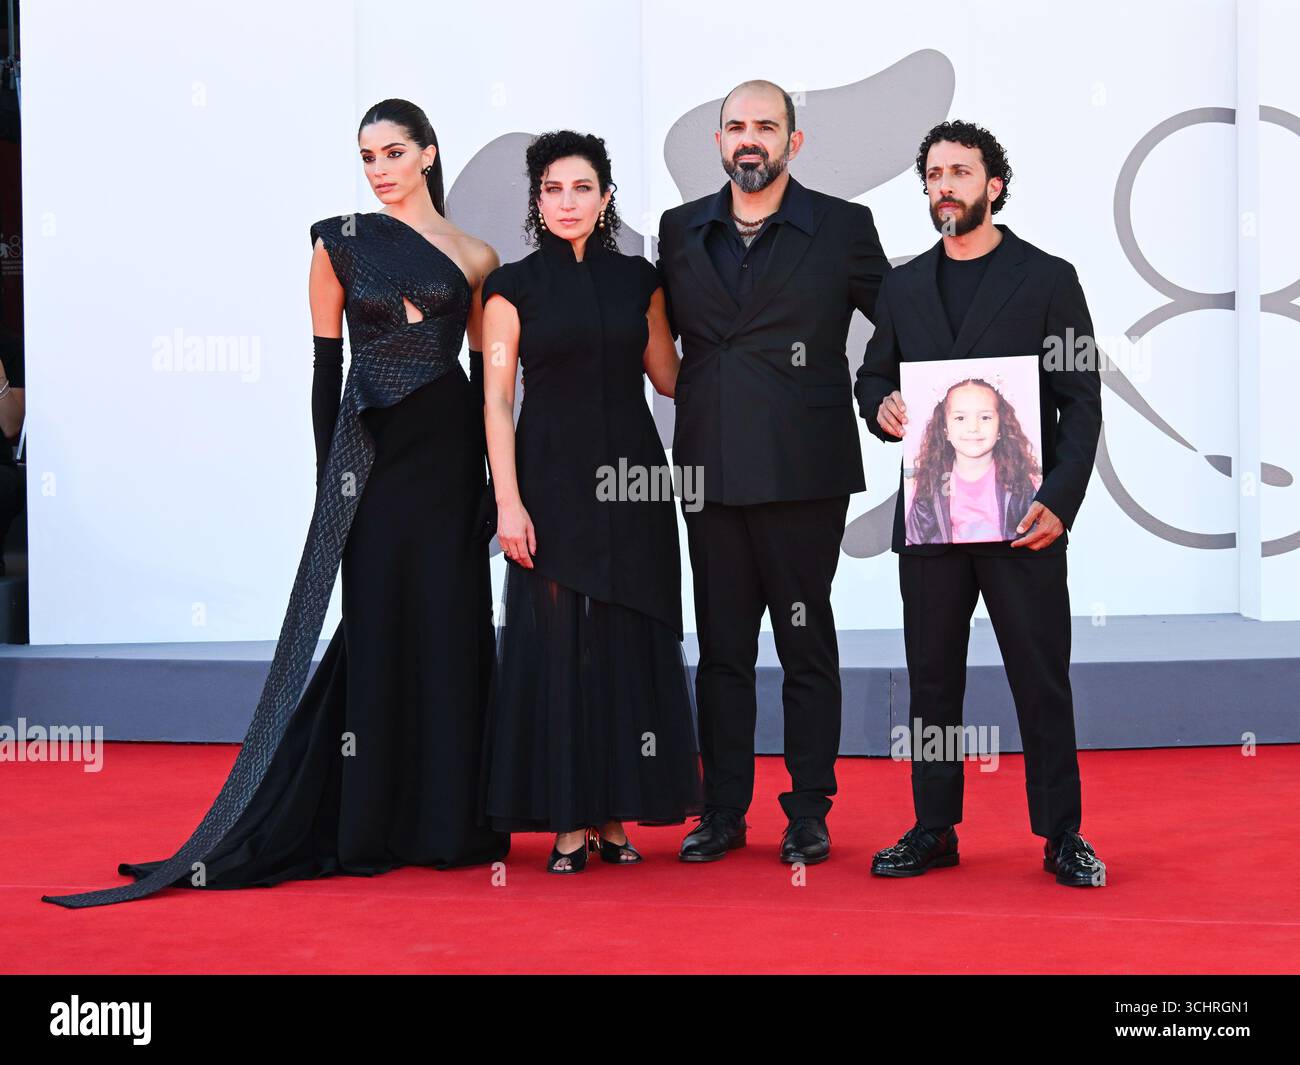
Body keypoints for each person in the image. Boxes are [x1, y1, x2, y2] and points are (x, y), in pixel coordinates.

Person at [43, 99, 509, 908]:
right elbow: (326, 370)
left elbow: (488, 386)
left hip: (448, 459)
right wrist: (335, 479)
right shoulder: (339, 241)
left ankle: (449, 824)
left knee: (449, 624)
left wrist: (489, 488)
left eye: (393, 154)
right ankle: (366, 820)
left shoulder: (477, 254)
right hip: (372, 459)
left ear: (429, 155)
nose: (378, 171)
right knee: (377, 624)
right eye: (366, 157)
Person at [854, 119, 1107, 887]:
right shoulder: (901, 286)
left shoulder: (1048, 277)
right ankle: (935, 827)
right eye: (934, 174)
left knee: (1040, 676)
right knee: (931, 680)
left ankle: (1062, 834)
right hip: (931, 520)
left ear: (993, 185)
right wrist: (882, 406)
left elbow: (1083, 399)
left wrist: (1060, 500)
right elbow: (872, 377)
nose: (945, 186)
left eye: (960, 172)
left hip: (1025, 516)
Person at [655, 80, 889, 865]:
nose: (747, 138)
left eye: (764, 126)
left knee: (803, 644)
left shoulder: (843, 227)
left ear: (794, 141)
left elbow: (901, 320)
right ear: (718, 143)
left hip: (804, 475)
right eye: (734, 126)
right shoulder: (679, 229)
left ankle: (809, 809)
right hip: (710, 474)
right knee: (721, 648)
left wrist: (876, 388)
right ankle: (721, 810)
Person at [479, 130, 703, 874]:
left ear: (606, 196)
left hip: (634, 485)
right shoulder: (510, 288)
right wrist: (507, 504)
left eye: (582, 187)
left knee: (620, 645)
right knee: (554, 647)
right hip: (547, 483)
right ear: (537, 202)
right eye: (552, 189)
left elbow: (670, 378)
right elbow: (496, 402)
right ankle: (567, 819)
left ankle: (611, 815)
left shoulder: (639, 279)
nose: (567, 201)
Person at [905, 377, 1042, 545]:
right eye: (960, 418)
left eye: (985, 417)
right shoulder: (930, 484)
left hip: (1006, 564)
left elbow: (1036, 533)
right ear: (945, 430)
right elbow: (915, 539)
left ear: (1001, 428)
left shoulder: (1021, 482)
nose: (973, 428)